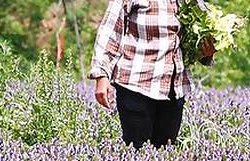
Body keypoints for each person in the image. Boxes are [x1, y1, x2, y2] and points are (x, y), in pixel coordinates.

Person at [88, 0, 215, 149]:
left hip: (173, 88)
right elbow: (110, 33)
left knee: (164, 155)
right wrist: (102, 75)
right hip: (136, 85)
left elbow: (195, 37)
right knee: (136, 152)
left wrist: (206, 51)